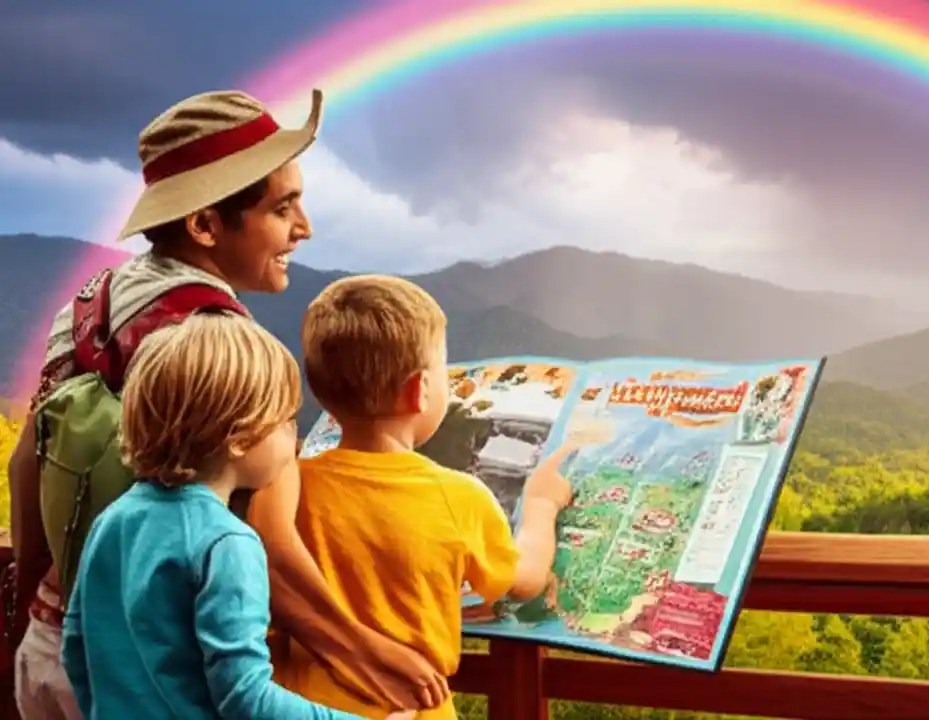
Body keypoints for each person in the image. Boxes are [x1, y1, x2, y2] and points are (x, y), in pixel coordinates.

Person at [5, 88, 444, 718]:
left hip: (65, 645)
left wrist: (30, 613)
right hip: (160, 674)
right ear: (205, 225)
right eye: (283, 207)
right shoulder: (226, 350)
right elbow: (267, 539)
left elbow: (27, 463)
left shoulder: (91, 301)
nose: (304, 227)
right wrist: (364, 650)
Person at [61, 312, 413, 719]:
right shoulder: (227, 542)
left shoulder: (113, 520)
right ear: (241, 437)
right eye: (286, 420)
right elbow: (246, 698)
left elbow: (76, 649)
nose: (294, 435)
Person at [274, 275, 578, 719]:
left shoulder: (287, 489)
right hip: (417, 707)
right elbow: (526, 579)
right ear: (419, 391)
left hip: (300, 707)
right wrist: (541, 506)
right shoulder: (458, 497)